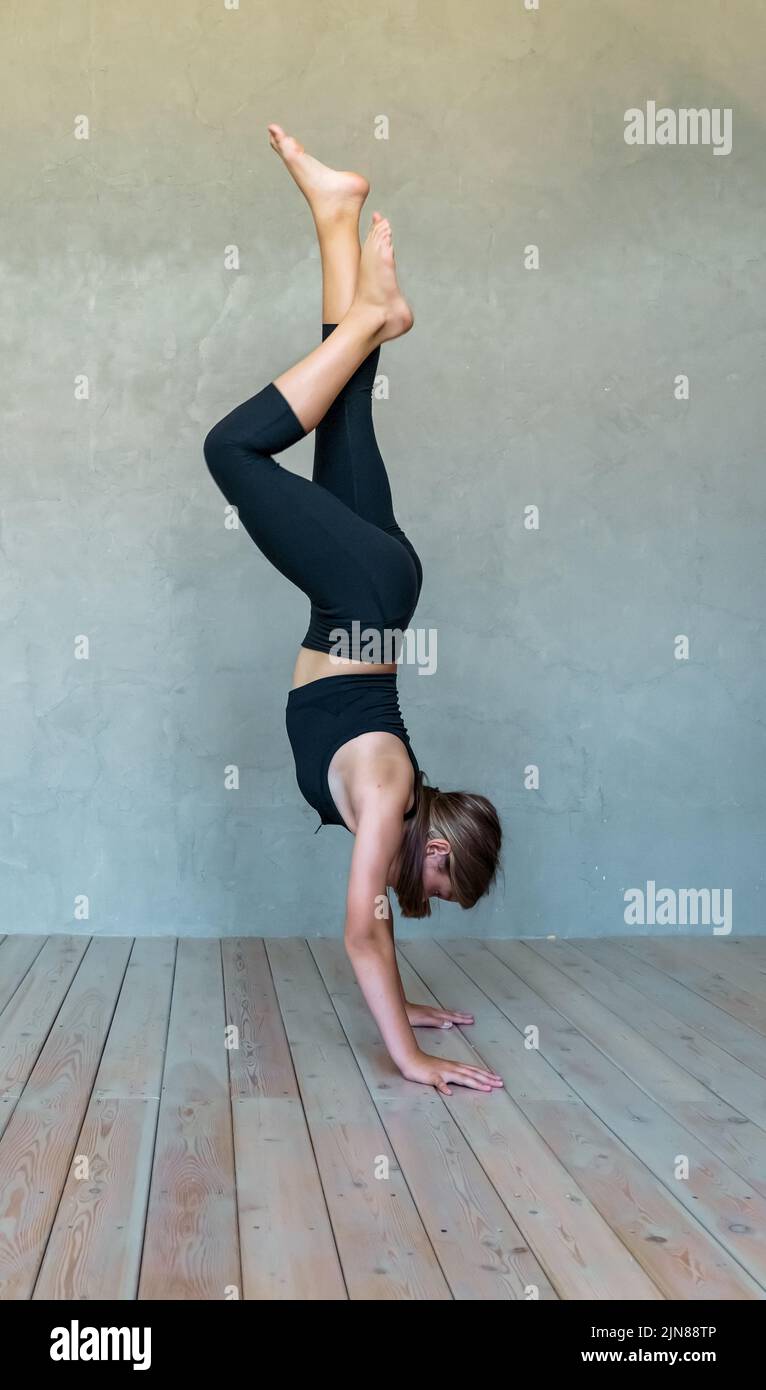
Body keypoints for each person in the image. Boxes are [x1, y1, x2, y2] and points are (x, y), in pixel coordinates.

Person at [203, 126, 503, 1095]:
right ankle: (376, 317)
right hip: (358, 596)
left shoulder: (394, 793)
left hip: (375, 596)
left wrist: (406, 1002)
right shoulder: (384, 795)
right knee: (231, 453)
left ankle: (333, 212)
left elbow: (376, 933)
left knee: (345, 407)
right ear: (438, 845)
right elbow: (357, 931)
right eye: (446, 881)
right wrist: (409, 1057)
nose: (432, 894)